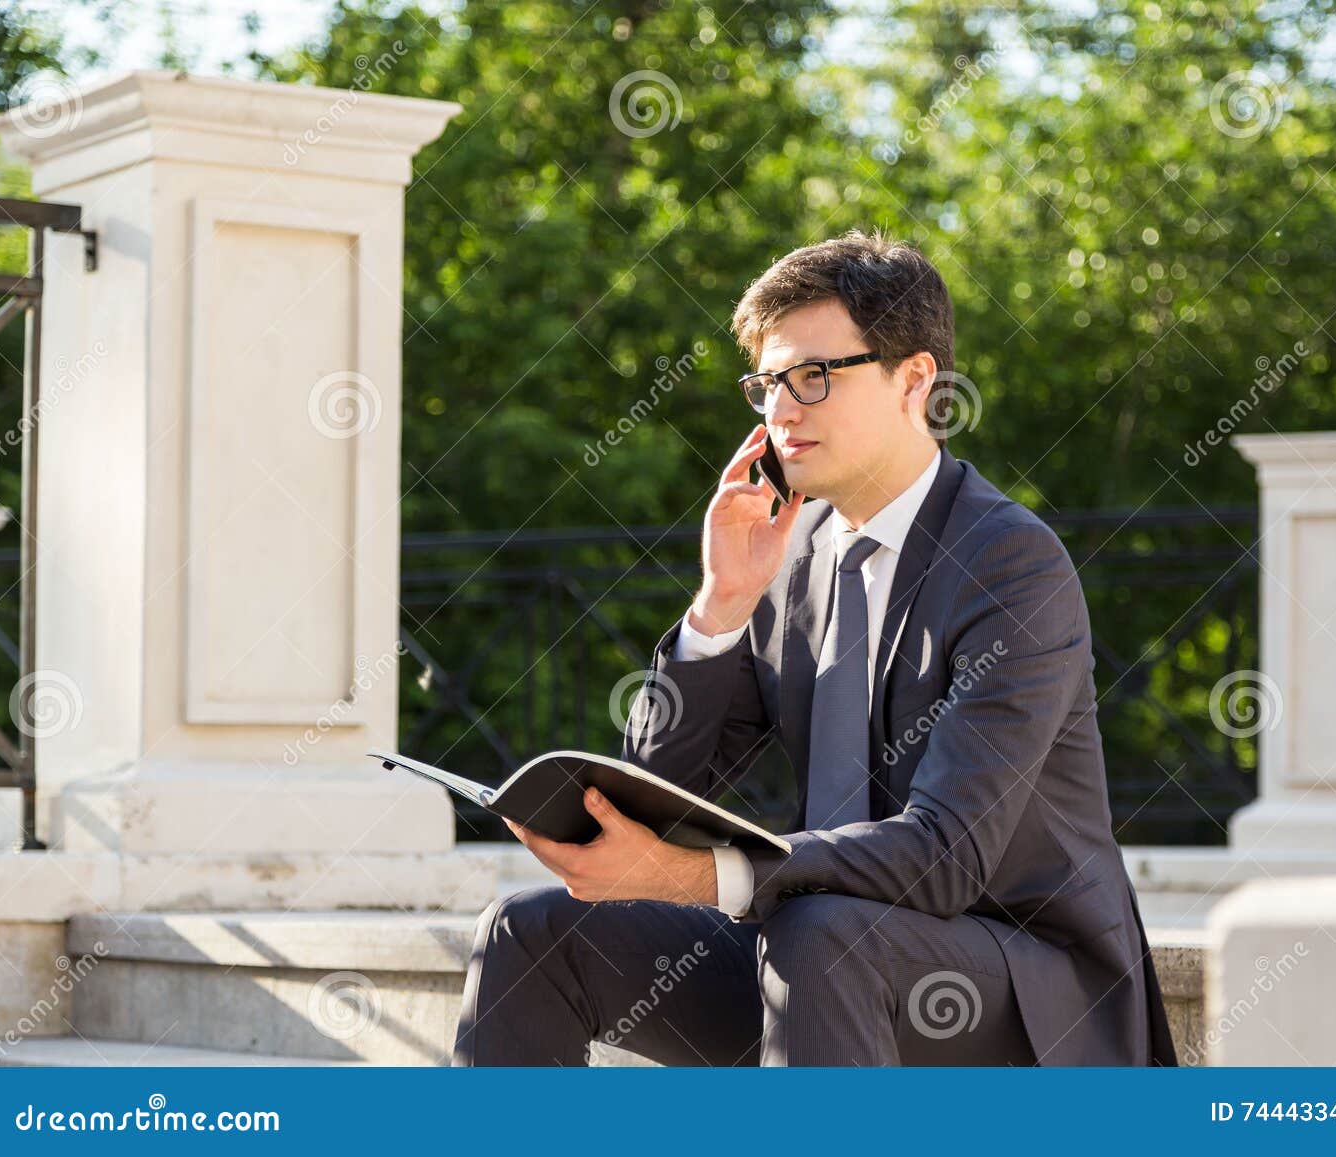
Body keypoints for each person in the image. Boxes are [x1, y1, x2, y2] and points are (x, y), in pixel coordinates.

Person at [452, 228, 1177, 1067]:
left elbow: (948, 857)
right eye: (766, 383)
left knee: (817, 931)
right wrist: (721, 605)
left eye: (814, 376)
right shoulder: (792, 556)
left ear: (915, 379)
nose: (780, 410)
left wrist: (698, 880)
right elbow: (664, 793)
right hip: (820, 955)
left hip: (1020, 990)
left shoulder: (1009, 562)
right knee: (529, 929)